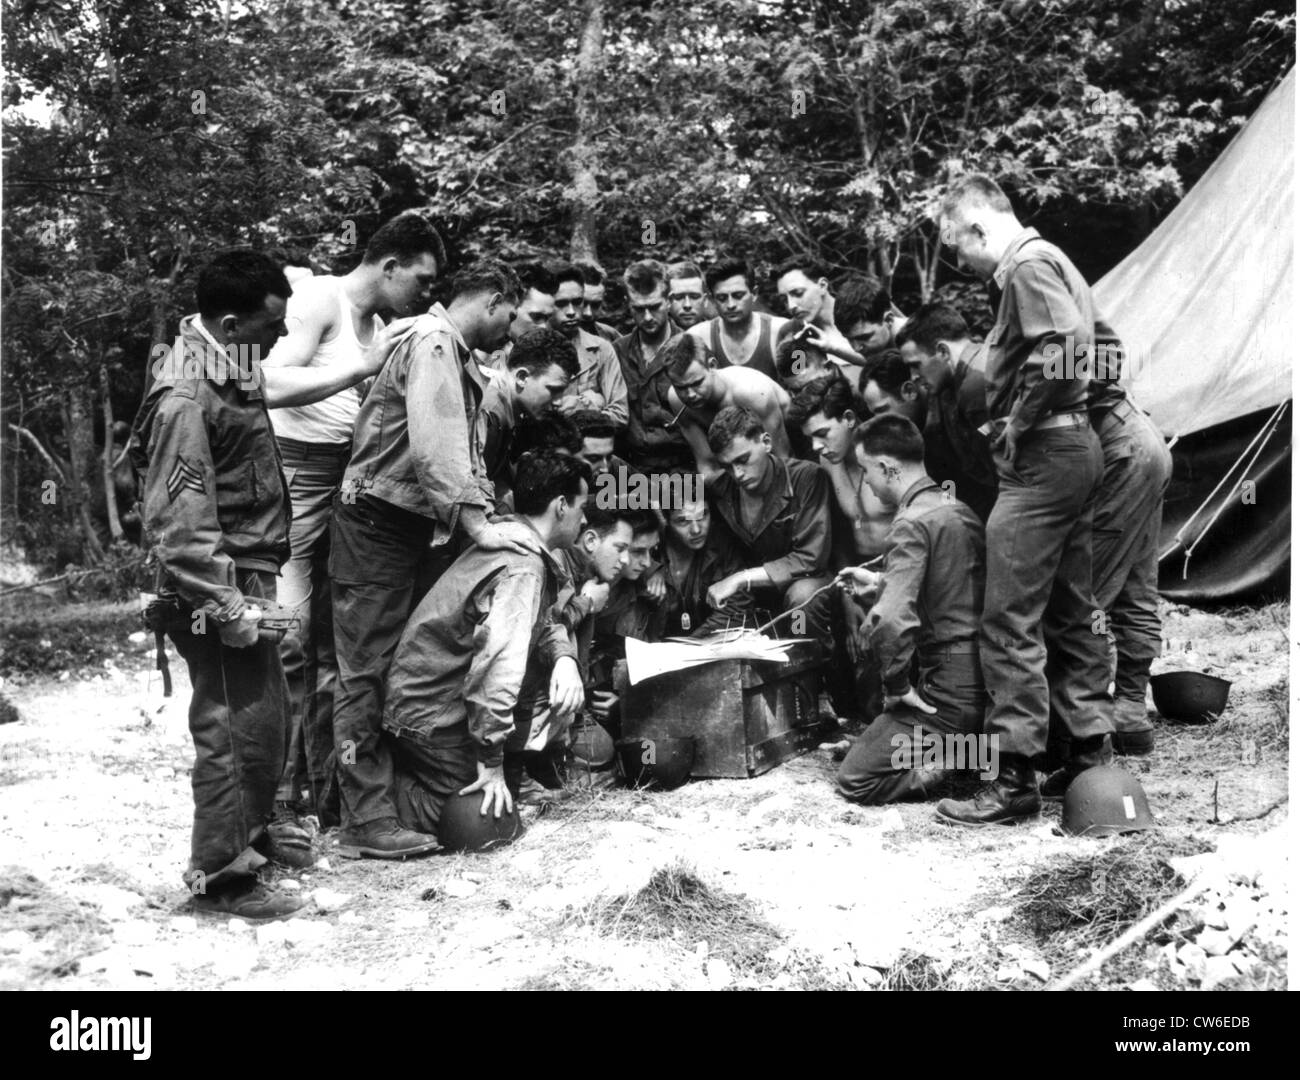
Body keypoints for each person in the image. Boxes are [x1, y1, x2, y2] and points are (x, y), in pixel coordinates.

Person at [131, 250, 413, 919]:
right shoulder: (185, 398)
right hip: (216, 589)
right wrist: (227, 606)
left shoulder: (229, 364)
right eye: (271, 326)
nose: (283, 340)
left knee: (263, 717)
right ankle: (221, 877)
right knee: (233, 729)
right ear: (230, 324)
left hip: (249, 574)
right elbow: (182, 524)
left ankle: (253, 839)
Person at [330, 259, 528, 859]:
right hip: (376, 525)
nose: (511, 328)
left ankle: (380, 804)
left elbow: (462, 455)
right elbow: (436, 446)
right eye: (511, 313)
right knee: (361, 671)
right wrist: (477, 525)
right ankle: (362, 821)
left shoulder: (451, 349)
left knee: (381, 665)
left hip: (400, 527)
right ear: (494, 300)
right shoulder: (437, 342)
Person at [932, 174, 1113, 827]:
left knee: (1007, 621)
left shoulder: (1027, 267)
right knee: (1070, 610)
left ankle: (1012, 778)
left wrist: (1020, 420)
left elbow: (1065, 349)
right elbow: (1096, 344)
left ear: (980, 227)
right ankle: (1089, 753)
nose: (961, 260)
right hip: (1074, 452)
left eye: (959, 246)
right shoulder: (1054, 259)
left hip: (1042, 462)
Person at [262, 212, 444, 834]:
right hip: (291, 480)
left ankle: (321, 796)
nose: (425, 293)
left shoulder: (385, 325)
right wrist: (360, 369)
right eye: (419, 279)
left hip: (347, 486)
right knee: (286, 637)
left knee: (334, 651)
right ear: (389, 266)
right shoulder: (321, 298)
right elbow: (263, 382)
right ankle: (274, 798)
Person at [383, 451, 592, 833]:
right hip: (431, 720)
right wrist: (491, 760)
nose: (586, 519)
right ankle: (384, 798)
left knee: (500, 805)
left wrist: (564, 658)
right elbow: (498, 666)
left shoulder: (513, 541)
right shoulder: (522, 566)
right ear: (561, 506)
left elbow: (543, 623)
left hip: (434, 710)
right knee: (487, 822)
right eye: (583, 507)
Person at [835, 414, 987, 804]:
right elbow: (949, 591)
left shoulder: (909, 524)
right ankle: (966, 743)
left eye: (866, 470)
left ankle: (956, 756)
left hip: (946, 693)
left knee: (855, 778)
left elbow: (889, 622)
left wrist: (897, 686)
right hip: (981, 679)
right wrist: (882, 585)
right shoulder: (957, 508)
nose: (865, 481)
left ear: (888, 468)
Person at [702, 407, 836, 650]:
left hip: (804, 584)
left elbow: (810, 559)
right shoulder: (719, 485)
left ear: (766, 442)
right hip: (751, 597)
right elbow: (669, 492)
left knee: (801, 601)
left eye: (743, 460)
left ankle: (809, 669)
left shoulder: (806, 478)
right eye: (727, 466)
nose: (738, 474)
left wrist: (741, 579)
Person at [863, 346, 999, 523]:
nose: (879, 421)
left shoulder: (956, 413)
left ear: (910, 391)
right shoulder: (921, 431)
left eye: (882, 410)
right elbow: (951, 490)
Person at [893, 303, 999, 522]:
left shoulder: (975, 383)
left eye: (916, 365)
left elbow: (1000, 467)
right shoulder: (957, 381)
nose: (913, 376)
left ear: (942, 351)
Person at [664, 333, 791, 479]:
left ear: (712, 366)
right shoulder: (676, 399)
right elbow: (707, 465)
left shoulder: (752, 392)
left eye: (697, 383)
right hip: (741, 464)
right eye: (681, 387)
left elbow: (783, 459)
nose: (690, 394)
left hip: (796, 443)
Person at [479, 327, 580, 508]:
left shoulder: (507, 405)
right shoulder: (492, 411)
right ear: (522, 377)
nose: (558, 402)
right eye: (553, 390)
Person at [613, 264, 694, 472]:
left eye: (655, 307)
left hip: (683, 466)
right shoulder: (617, 352)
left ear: (669, 300)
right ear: (627, 304)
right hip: (630, 468)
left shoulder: (692, 347)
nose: (647, 317)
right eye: (639, 309)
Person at [648, 487, 753, 639]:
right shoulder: (650, 549)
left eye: (703, 515)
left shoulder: (722, 542)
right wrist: (650, 568)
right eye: (683, 521)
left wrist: (690, 646)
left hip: (706, 645)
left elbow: (737, 605)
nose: (696, 529)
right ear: (666, 521)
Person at [552, 262, 629, 427]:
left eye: (577, 302)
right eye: (561, 303)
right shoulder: (530, 345)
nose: (573, 311)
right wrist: (596, 400)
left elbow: (620, 414)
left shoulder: (604, 345)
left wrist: (586, 405)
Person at [688, 257, 788, 381]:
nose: (731, 305)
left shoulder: (781, 330)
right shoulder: (698, 337)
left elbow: (801, 378)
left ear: (754, 293)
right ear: (712, 300)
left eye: (738, 296)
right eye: (722, 298)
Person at [774, 256, 860, 364]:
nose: (791, 306)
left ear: (822, 286)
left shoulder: (859, 314)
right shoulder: (791, 332)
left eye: (798, 293)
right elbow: (796, 375)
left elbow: (882, 361)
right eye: (784, 300)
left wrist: (834, 349)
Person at [833, 273, 902, 361]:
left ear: (889, 320)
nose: (856, 348)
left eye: (864, 338)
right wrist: (830, 347)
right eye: (849, 339)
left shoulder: (921, 345)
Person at [576, 261, 620, 341]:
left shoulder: (610, 336)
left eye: (595, 305)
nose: (588, 313)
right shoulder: (549, 337)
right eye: (582, 303)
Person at [666, 260, 711, 331]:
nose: (687, 305)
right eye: (678, 297)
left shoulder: (718, 335)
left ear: (705, 300)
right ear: (667, 301)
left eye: (694, 297)